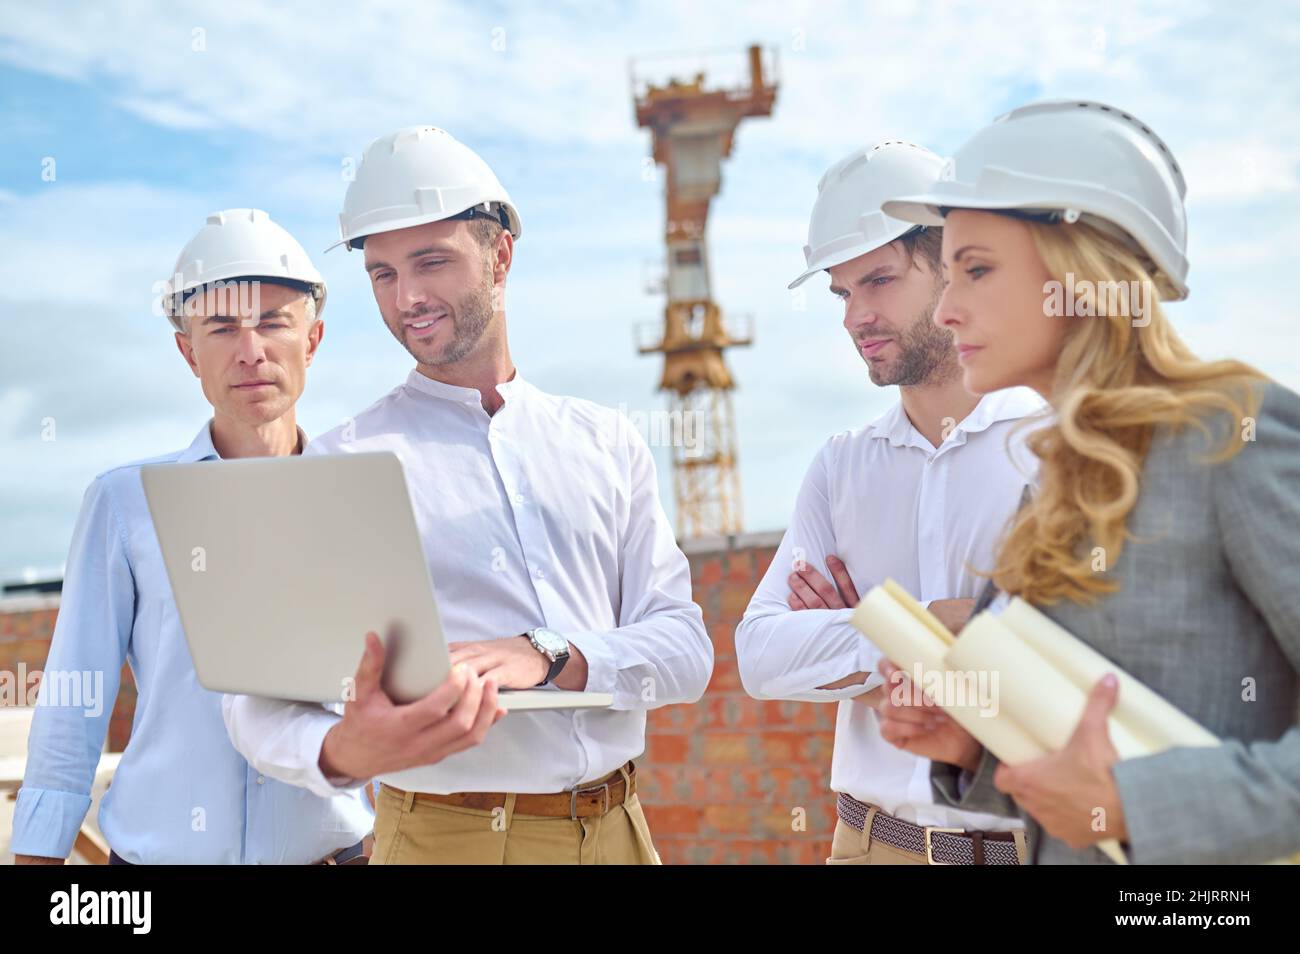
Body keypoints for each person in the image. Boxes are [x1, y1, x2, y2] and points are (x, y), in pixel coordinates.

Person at [223, 126, 713, 865]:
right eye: (383, 274)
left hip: (621, 830)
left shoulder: (605, 440)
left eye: (432, 262)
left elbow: (685, 651)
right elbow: (256, 703)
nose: (408, 297)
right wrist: (339, 750)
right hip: (444, 840)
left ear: (500, 257)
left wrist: (550, 655)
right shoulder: (340, 465)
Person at [876, 99, 1300, 864]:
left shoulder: (1232, 437)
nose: (944, 310)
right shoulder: (1057, 481)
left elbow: (1124, 800)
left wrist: (1137, 804)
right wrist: (975, 750)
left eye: (976, 269)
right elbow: (1085, 795)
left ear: (1081, 273)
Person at [13, 209, 377, 864]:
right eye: (222, 327)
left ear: (313, 340)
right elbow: (74, 703)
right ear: (188, 352)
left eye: (273, 322)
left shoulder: (366, 499)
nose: (251, 351)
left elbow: (394, 690)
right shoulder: (125, 504)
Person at [736, 142, 1044, 865]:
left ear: (951, 266)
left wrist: (849, 642)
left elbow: (1086, 663)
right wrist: (916, 633)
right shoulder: (842, 466)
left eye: (878, 282)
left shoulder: (1053, 446)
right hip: (868, 846)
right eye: (843, 293)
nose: (855, 317)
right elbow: (759, 654)